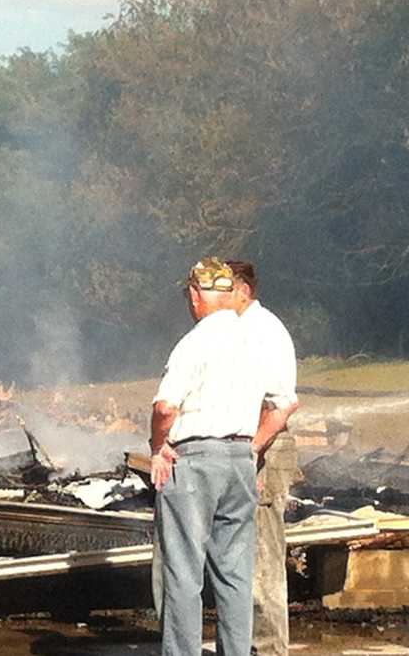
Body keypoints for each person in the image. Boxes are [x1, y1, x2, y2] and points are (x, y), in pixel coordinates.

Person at [151, 257, 274, 656]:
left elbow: (166, 407)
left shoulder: (195, 341)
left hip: (196, 460)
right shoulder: (254, 342)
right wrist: (251, 450)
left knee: (184, 572)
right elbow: (281, 403)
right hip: (241, 457)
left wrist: (157, 449)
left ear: (195, 295)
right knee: (235, 573)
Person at [226, 260, 299, 656]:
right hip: (251, 449)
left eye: (225, 288)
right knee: (244, 555)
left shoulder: (260, 331)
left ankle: (270, 649)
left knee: (264, 558)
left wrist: (250, 451)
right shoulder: (237, 330)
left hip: (265, 450)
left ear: (244, 291)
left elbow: (280, 404)